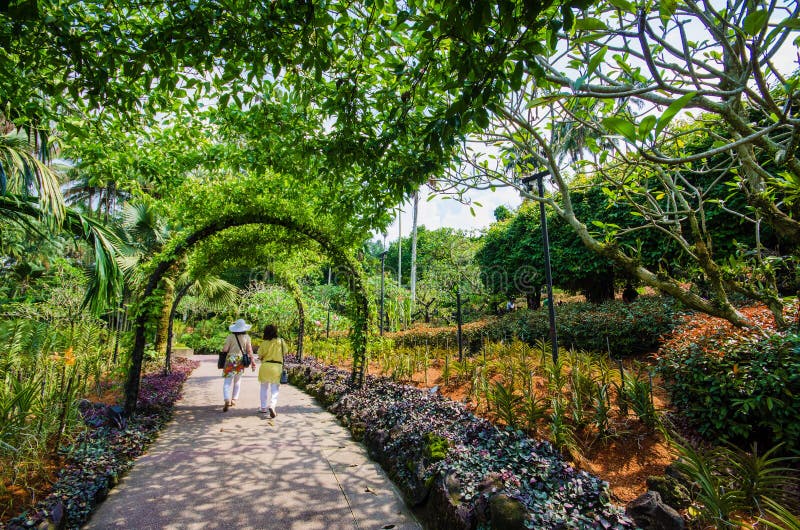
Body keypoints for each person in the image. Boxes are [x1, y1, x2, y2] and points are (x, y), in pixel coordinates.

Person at [220, 318, 255, 412]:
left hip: (230, 359)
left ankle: (226, 398)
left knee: (227, 382)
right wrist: (253, 361)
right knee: (237, 381)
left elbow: (225, 349)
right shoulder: (247, 337)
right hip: (240, 360)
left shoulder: (230, 336)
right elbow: (249, 350)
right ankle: (234, 399)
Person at [257, 324, 287, 418]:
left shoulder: (264, 343)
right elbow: (285, 352)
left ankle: (263, 408)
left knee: (263, 388)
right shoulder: (281, 341)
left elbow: (260, 355)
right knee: (275, 390)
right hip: (277, 367)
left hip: (265, 366)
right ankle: (272, 406)